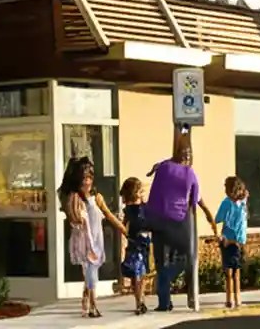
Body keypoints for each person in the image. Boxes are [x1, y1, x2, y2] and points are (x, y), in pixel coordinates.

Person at [144, 131, 218, 312]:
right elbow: (193, 203)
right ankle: (187, 294)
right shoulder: (190, 174)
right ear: (189, 156)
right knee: (189, 257)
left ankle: (164, 303)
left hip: (156, 220)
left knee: (161, 261)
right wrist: (207, 214)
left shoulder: (162, 167)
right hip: (178, 221)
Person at [62, 163, 127, 318]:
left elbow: (108, 214)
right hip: (85, 241)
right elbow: (74, 218)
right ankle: (93, 306)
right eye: (84, 178)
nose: (87, 182)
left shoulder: (97, 198)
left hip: (97, 239)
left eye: (89, 178)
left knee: (91, 272)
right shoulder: (75, 198)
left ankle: (86, 297)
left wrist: (124, 230)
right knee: (90, 273)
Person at [214, 175, 249, 309]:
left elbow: (243, 222)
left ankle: (237, 298)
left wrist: (242, 241)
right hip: (227, 241)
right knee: (228, 272)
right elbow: (217, 219)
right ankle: (229, 299)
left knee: (237, 272)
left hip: (238, 242)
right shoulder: (226, 203)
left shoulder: (242, 203)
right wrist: (219, 236)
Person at [118, 177, 151, 315]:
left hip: (145, 244)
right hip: (135, 244)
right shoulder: (129, 210)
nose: (142, 192)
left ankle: (141, 299)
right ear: (133, 192)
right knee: (137, 273)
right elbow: (123, 226)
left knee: (142, 274)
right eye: (140, 190)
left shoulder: (145, 207)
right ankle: (139, 302)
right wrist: (125, 238)